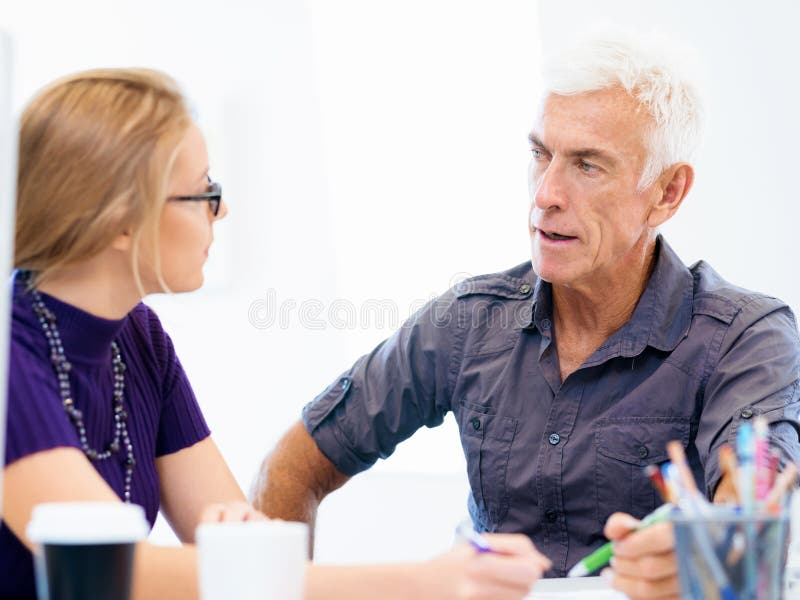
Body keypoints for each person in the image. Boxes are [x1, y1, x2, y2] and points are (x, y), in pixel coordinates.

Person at [254, 26, 800, 596]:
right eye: (540, 154)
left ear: (667, 193)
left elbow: (751, 523)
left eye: (588, 166)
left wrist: (708, 557)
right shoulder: (467, 322)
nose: (545, 193)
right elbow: (289, 469)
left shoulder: (745, 339)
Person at [1, 68, 549, 600]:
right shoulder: (11, 353)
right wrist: (424, 584)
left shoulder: (138, 338)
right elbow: (117, 575)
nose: (223, 209)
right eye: (202, 192)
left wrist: (239, 539)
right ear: (120, 218)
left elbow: (254, 563)